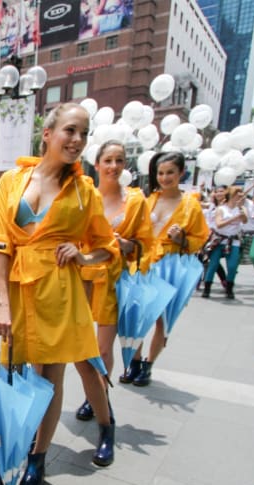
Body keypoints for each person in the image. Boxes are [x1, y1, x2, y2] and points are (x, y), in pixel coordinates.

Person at [0, 101, 119, 485]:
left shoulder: (83, 191)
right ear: (48, 134)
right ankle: (12, 452)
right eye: (70, 131)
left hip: (60, 291)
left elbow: (106, 247)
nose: (77, 140)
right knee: (15, 374)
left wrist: (83, 256)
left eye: (84, 133)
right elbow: (1, 246)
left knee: (49, 378)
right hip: (18, 292)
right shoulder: (11, 181)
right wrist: (1, 304)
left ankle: (38, 458)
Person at [75, 140, 152, 420]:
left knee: (103, 347)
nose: (114, 166)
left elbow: (146, 244)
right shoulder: (84, 196)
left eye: (119, 160)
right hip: (81, 278)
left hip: (113, 280)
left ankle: (98, 398)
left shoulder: (135, 201)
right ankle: (93, 393)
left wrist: (128, 245)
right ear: (96, 164)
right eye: (108, 160)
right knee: (80, 345)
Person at [120, 152, 208, 386]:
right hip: (142, 263)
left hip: (169, 267)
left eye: (170, 172)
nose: (165, 177)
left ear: (181, 173)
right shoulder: (148, 200)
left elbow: (200, 238)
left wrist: (182, 239)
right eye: (160, 173)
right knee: (136, 314)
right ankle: (134, 361)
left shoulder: (191, 205)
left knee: (162, 320)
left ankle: (149, 364)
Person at [200, 186, 247, 299]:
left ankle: (229, 287)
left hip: (233, 241)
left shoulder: (242, 209)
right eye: (237, 195)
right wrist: (234, 218)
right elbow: (219, 224)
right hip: (219, 240)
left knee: (232, 266)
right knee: (213, 264)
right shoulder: (221, 209)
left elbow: (245, 220)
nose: (240, 197)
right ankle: (207, 288)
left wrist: (241, 210)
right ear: (231, 195)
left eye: (241, 195)